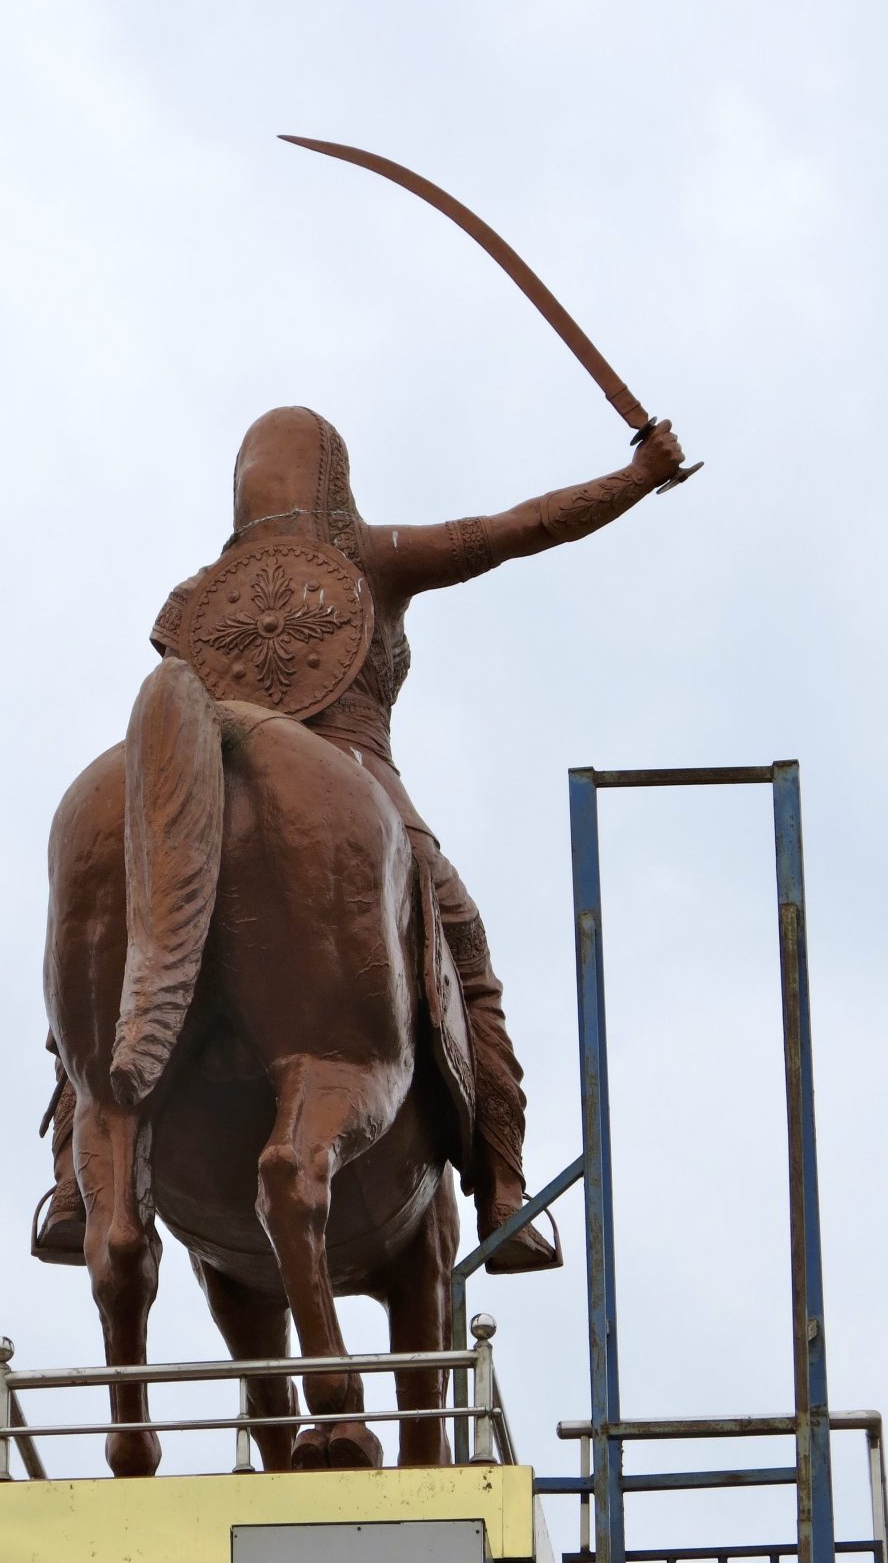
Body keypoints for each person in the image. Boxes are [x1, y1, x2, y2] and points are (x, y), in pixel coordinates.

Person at [35, 405, 683, 1270]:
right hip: (364, 787)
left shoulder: (195, 597)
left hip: (196, 784)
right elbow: (520, 528)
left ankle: (75, 1185)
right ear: (334, 475)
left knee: (113, 943)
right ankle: (502, 1188)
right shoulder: (373, 555)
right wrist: (638, 478)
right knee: (468, 960)